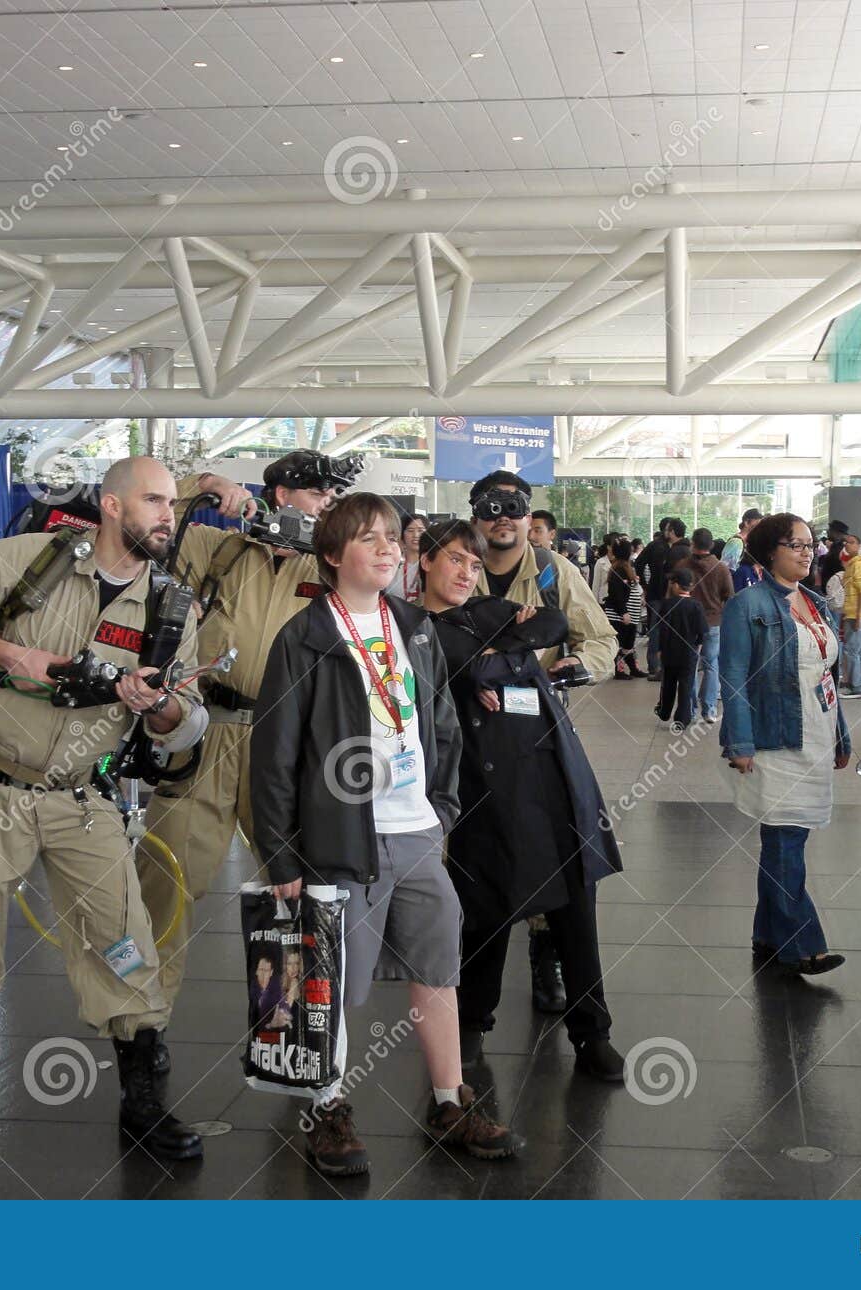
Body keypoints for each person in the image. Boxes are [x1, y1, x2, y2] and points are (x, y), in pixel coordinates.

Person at [0, 457, 208, 1160]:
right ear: (112, 505)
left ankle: (142, 1098)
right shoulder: (27, 560)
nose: (169, 515)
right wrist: (12, 654)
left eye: (172, 503)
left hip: (85, 799)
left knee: (124, 940)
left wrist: (156, 703)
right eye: (154, 501)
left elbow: (187, 721)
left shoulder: (172, 607)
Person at [251, 493, 518, 1176]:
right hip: (343, 838)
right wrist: (281, 854)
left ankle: (449, 1100)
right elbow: (274, 755)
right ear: (332, 554)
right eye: (368, 538)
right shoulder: (305, 637)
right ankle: (327, 1107)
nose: (387, 548)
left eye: (394, 537)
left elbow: (441, 724)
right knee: (331, 982)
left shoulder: (415, 627)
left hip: (418, 831)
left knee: (438, 967)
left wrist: (441, 807)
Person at [143, 449, 347, 1033]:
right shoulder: (220, 548)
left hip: (288, 743)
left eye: (333, 497)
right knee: (166, 879)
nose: (327, 505)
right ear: (280, 495)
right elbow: (152, 520)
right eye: (319, 493)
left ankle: (296, 1025)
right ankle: (143, 1026)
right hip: (205, 733)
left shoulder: (330, 567)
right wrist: (210, 484)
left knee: (298, 884)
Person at [419, 520, 626, 1082]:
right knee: (485, 908)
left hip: (551, 768)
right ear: (426, 561)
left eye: (474, 564)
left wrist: (498, 653)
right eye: (455, 560)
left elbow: (553, 621)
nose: (466, 573)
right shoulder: (414, 626)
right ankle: (470, 1026)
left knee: (575, 905)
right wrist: (502, 656)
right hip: (483, 783)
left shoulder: (485, 609)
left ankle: (593, 1032)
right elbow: (464, 665)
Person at [469, 469, 617, 1015]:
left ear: (529, 517)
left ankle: (546, 952)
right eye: (491, 507)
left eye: (514, 507)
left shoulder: (555, 572)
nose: (503, 518)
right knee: (476, 858)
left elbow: (600, 637)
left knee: (552, 852)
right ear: (475, 516)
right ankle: (470, 1004)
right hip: (467, 735)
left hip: (536, 736)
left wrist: (573, 666)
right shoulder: (456, 566)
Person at [720, 514, 850, 974]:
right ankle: (801, 943)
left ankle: (767, 935)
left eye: (810, 544)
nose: (806, 552)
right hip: (773, 736)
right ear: (769, 551)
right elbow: (733, 676)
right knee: (785, 839)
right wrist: (740, 741)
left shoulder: (815, 601)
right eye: (795, 544)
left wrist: (841, 734)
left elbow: (827, 675)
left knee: (785, 839)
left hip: (816, 732)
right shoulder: (747, 604)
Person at [681, 527, 734, 723]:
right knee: (711, 665)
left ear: (692, 543)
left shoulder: (683, 566)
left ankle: (690, 710)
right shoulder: (720, 568)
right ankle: (709, 709)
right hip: (713, 622)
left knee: (690, 666)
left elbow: (672, 594)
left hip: (688, 623)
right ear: (711, 545)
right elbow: (729, 596)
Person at [654, 569, 707, 729]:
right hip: (688, 653)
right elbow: (702, 631)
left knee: (668, 683)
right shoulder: (696, 606)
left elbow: (662, 630)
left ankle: (664, 711)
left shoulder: (667, 604)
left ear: (676, 585)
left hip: (669, 652)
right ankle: (681, 720)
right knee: (686, 686)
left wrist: (660, 649)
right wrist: (698, 647)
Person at [637, 518, 686, 678]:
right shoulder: (658, 546)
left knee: (660, 630)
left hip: (662, 594)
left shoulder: (674, 547)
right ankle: (656, 666)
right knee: (657, 630)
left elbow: (639, 563)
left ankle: (660, 666)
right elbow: (639, 563)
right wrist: (645, 584)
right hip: (659, 594)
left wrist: (645, 584)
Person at [602, 537, 647, 679]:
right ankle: (619, 670)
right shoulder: (620, 569)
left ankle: (632, 668)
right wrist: (624, 612)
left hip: (628, 613)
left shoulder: (624, 567)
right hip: (621, 614)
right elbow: (617, 593)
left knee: (628, 643)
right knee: (622, 643)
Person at [838, 533, 861, 696]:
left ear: (859, 546)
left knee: (851, 650)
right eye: (846, 542)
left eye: (851, 542)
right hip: (855, 613)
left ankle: (856, 685)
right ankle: (859, 683)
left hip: (856, 614)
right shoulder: (853, 564)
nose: (847, 544)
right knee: (858, 651)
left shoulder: (858, 565)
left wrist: (859, 616)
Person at [387, 511, 426, 604]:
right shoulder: (391, 564)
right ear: (402, 534)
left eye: (420, 530)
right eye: (410, 530)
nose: (416, 535)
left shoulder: (433, 565)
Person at [723, 507, 763, 572]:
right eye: (757, 524)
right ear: (746, 523)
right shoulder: (735, 542)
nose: (760, 528)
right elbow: (726, 569)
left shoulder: (749, 542)